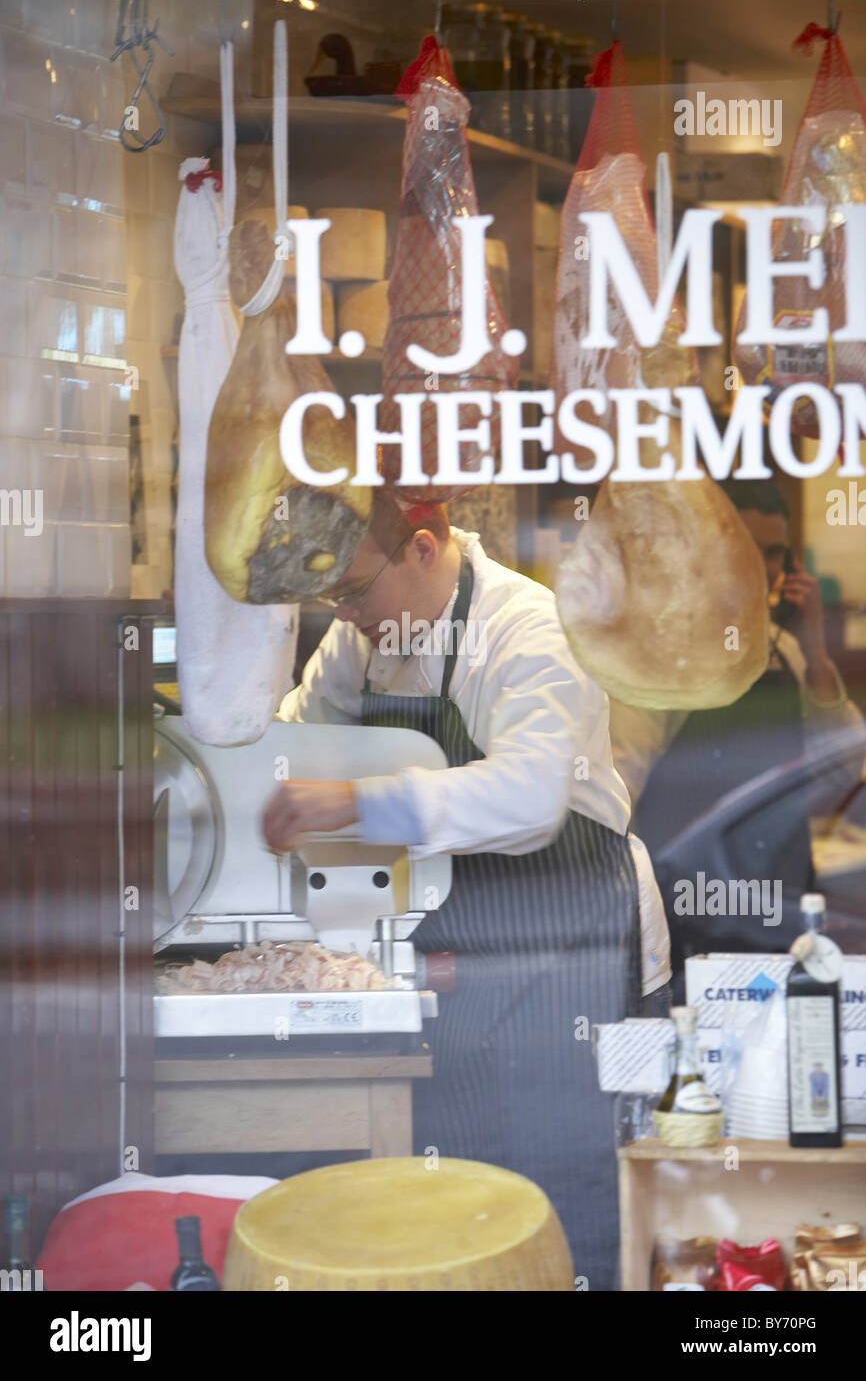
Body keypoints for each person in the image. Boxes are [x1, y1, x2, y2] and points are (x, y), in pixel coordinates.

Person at [264, 490, 670, 1288]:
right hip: (472, 958)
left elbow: (529, 797)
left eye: (353, 590)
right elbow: (297, 733)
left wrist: (358, 802)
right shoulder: (365, 637)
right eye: (331, 597)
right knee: (464, 1200)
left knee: (575, 1194)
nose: (343, 614)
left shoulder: (529, 630)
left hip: (583, 949)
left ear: (422, 548)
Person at [610, 481, 864, 979]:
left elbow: (846, 765)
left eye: (774, 553)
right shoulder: (661, 653)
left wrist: (815, 649)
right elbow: (622, 786)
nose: (763, 567)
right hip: (685, 901)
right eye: (748, 548)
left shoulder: (784, 649)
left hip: (779, 899)